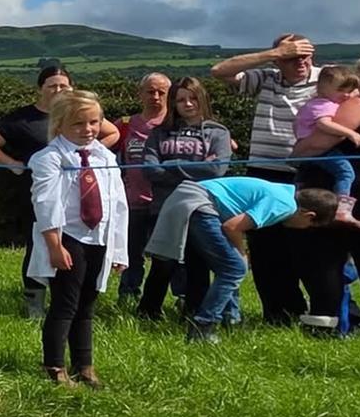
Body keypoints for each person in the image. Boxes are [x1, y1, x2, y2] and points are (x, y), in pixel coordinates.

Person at [0, 64, 117, 319]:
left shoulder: (80, 113)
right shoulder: (22, 118)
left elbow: (113, 133)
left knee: (77, 248)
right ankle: (35, 303)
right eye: (52, 85)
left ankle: (72, 300)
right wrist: (13, 165)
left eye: (64, 85)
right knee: (39, 243)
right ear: (40, 89)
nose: (58, 89)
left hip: (82, 196)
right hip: (40, 193)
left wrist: (89, 154)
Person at [210, 33, 321, 324]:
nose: (301, 61)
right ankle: (281, 314)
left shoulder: (324, 79)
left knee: (312, 246)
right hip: (264, 173)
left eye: (305, 55)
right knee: (267, 250)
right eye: (292, 56)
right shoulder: (266, 77)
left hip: (308, 173)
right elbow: (219, 71)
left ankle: (326, 312)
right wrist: (273, 54)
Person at [145, 177, 337, 343]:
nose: (304, 229)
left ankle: (229, 319)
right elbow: (232, 227)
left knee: (216, 266)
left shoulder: (285, 193)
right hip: (199, 201)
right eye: (309, 226)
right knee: (234, 268)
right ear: (309, 215)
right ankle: (203, 326)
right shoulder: (285, 205)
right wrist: (241, 252)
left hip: (187, 196)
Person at [293, 50, 360, 342]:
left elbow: (318, 143)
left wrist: (296, 153)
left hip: (351, 195)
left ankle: (323, 327)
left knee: (325, 259)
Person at [27, 90, 128, 388]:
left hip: (98, 237)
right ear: (59, 125)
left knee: (87, 305)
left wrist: (119, 249)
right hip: (67, 237)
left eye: (94, 122)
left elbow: (118, 204)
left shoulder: (105, 155)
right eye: (79, 124)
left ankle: (84, 365)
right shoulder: (48, 158)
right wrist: (54, 245)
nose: (88, 130)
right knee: (65, 304)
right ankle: (54, 366)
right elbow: (45, 203)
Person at [135, 77, 232, 319]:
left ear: (203, 99)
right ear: (173, 103)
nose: (187, 104)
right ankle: (148, 313)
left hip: (201, 207)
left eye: (193, 98)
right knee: (162, 262)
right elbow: (149, 170)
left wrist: (171, 164)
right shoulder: (159, 133)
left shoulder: (218, 132)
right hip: (164, 206)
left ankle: (194, 315)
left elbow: (217, 170)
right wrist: (195, 167)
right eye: (180, 99)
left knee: (197, 263)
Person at [114, 73, 170, 301]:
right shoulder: (125, 125)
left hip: (166, 202)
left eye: (161, 92)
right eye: (150, 91)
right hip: (132, 201)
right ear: (140, 94)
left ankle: (181, 297)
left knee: (170, 254)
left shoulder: (175, 125)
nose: (155, 97)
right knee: (131, 253)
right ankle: (127, 295)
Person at [295, 65, 360, 228]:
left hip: (306, 149)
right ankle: (342, 209)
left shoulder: (319, 100)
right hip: (320, 150)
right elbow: (323, 124)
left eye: (350, 90)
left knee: (303, 177)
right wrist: (350, 133)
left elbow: (350, 92)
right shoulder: (323, 104)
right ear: (322, 87)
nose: (347, 95)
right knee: (345, 172)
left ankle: (296, 202)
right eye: (342, 90)